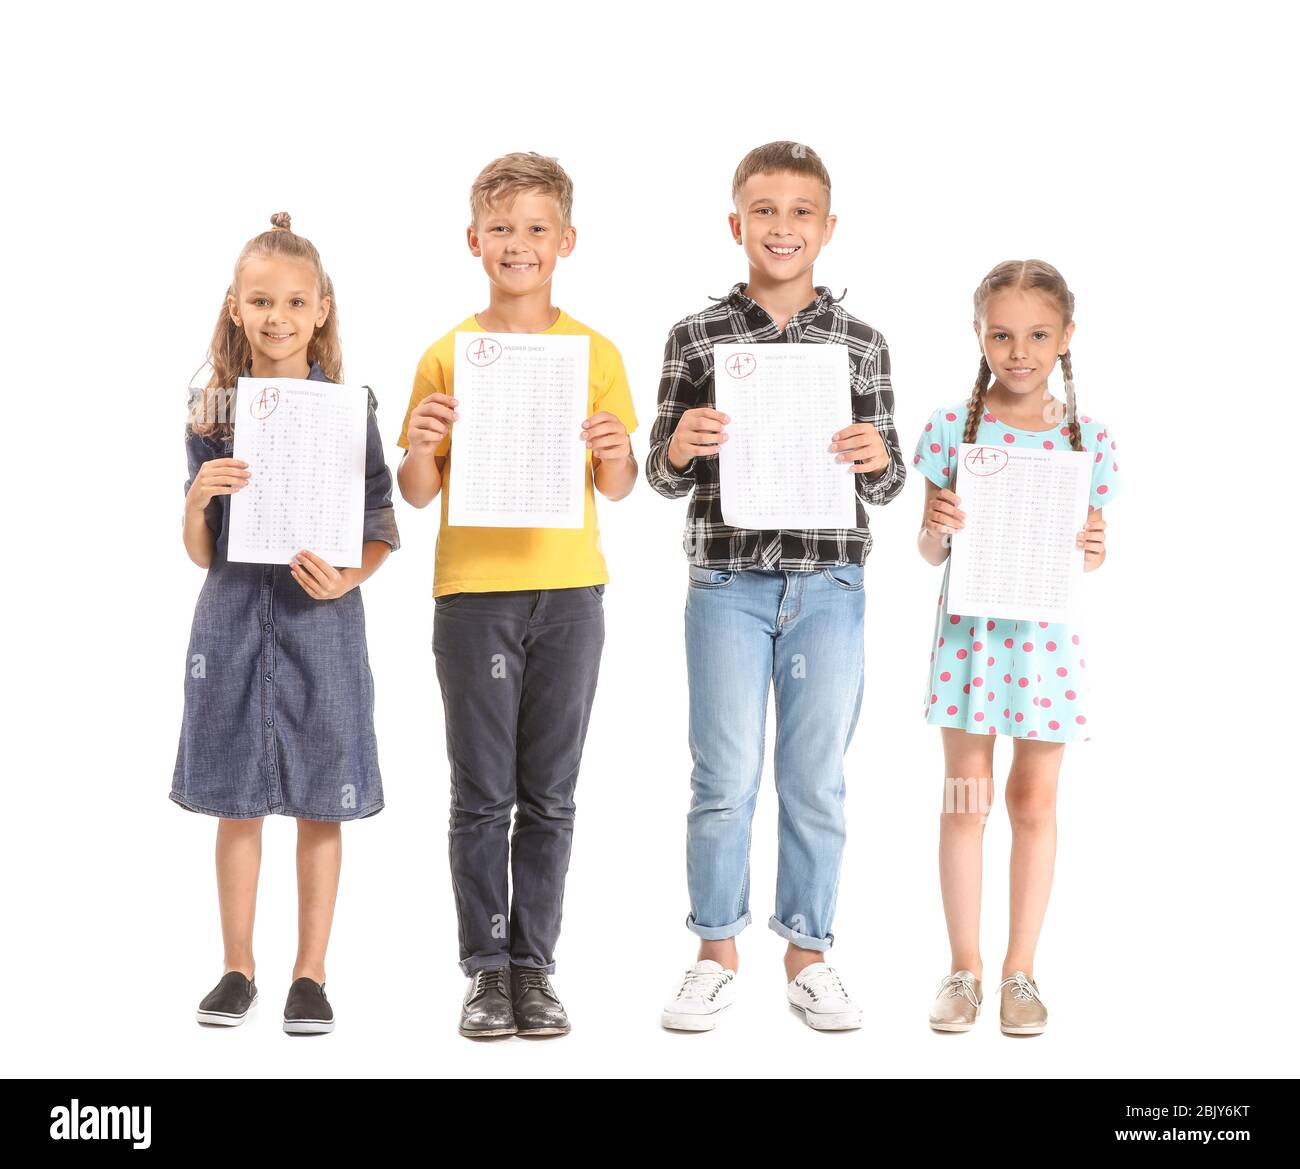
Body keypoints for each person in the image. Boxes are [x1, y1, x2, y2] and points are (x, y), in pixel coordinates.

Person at [174, 212, 400, 1035]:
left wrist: (348, 579)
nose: (277, 317)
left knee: (320, 801)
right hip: (234, 619)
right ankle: (238, 965)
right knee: (238, 798)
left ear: (322, 309)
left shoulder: (348, 409)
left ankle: (312, 973)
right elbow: (203, 554)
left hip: (322, 624)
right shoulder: (211, 413)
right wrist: (199, 499)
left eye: (294, 302)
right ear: (236, 307)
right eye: (260, 301)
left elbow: (380, 524)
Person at [915, 259, 1121, 1036]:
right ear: (980, 336)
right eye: (1002, 334)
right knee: (964, 799)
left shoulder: (1087, 438)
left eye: (1037, 334)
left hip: (1045, 654)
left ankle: (1020, 971)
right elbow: (929, 553)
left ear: (1066, 337)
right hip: (969, 646)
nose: (1020, 350)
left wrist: (1094, 543)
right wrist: (939, 522)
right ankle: (963, 967)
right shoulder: (949, 429)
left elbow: (1091, 557)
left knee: (1033, 803)